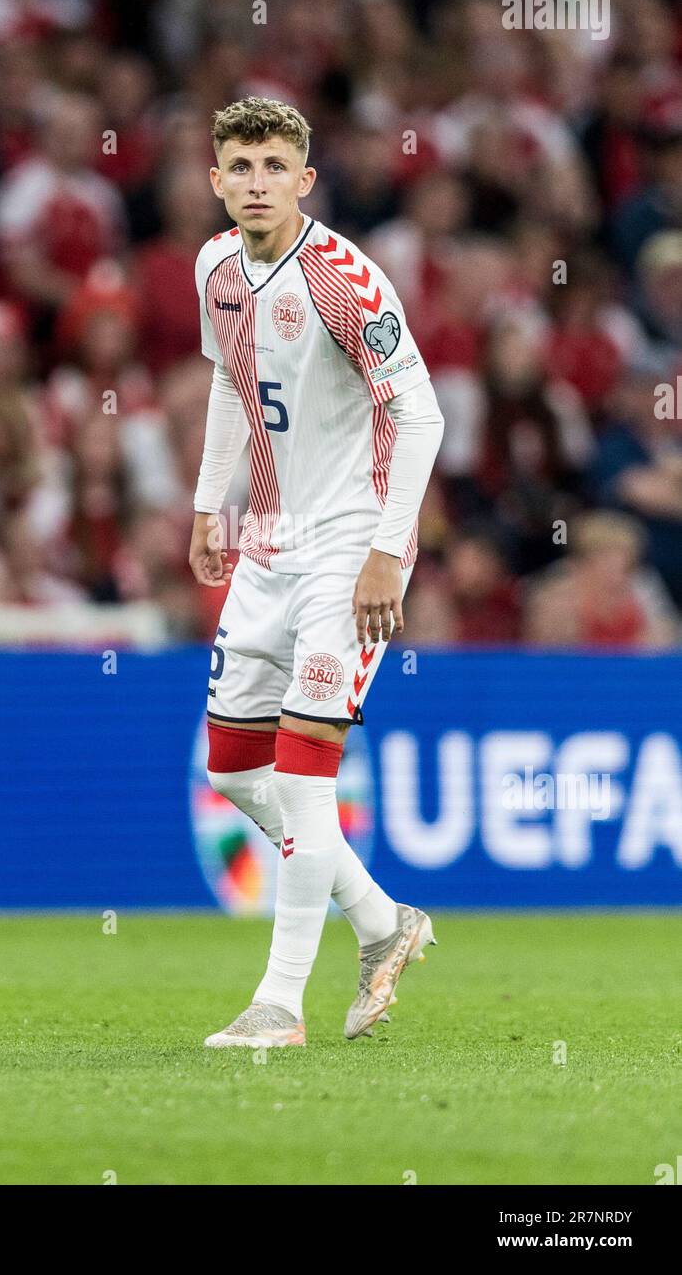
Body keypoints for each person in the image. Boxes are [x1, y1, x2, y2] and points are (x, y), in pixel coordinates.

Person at [188, 97, 444, 1048]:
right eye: (238, 168)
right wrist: (209, 504)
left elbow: (419, 415)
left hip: (349, 543)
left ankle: (278, 1005)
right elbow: (228, 378)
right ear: (216, 181)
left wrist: (386, 549)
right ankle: (382, 923)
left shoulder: (345, 280)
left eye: (273, 167)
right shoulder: (214, 265)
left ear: (304, 179)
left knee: (300, 782)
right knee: (237, 772)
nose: (255, 183)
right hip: (265, 542)